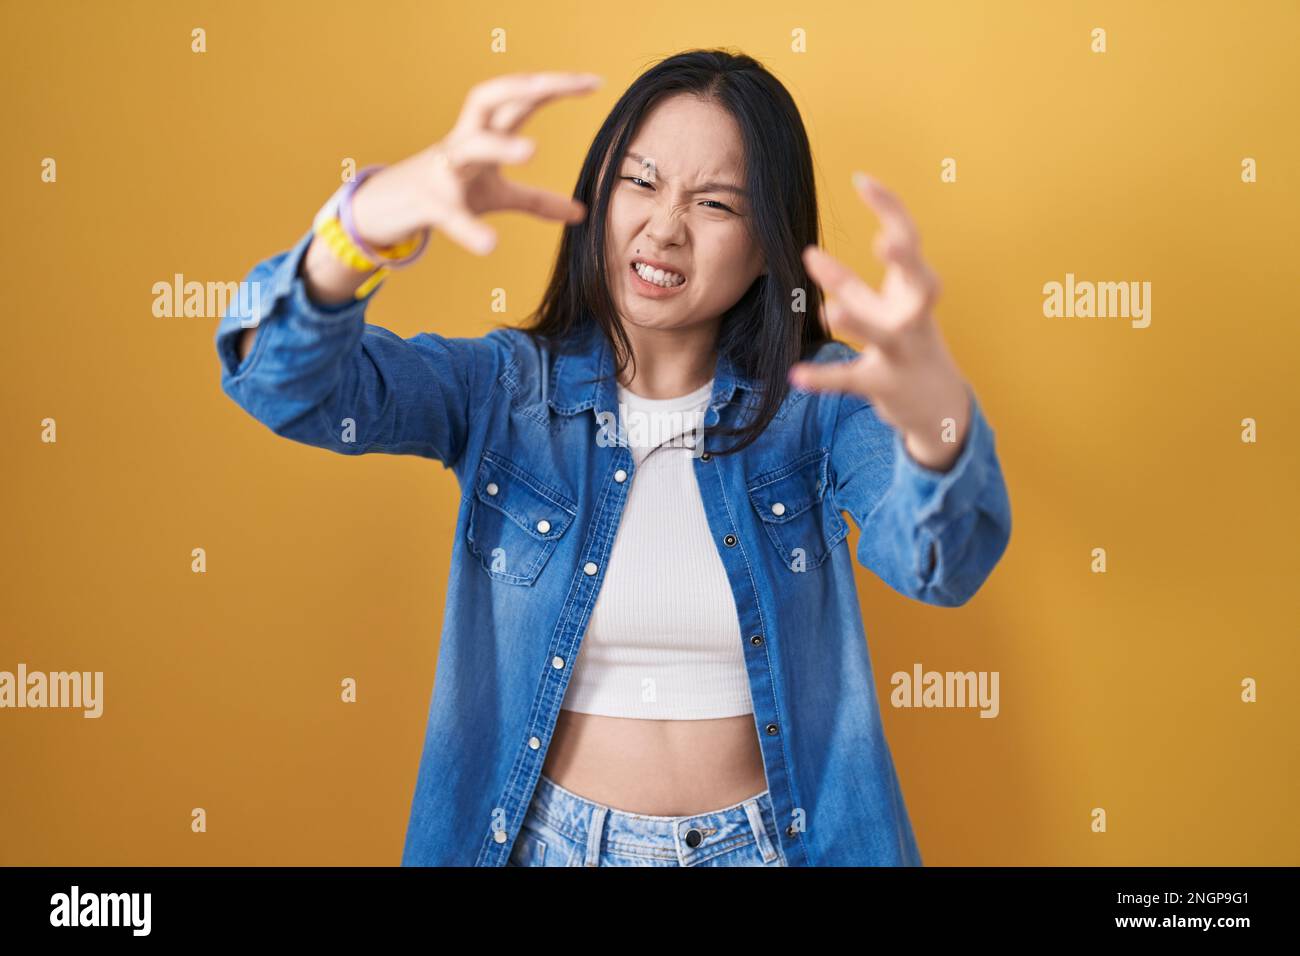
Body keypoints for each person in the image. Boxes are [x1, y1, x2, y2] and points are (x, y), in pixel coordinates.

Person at [214, 49, 1012, 867]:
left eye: (714, 203)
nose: (664, 227)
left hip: (767, 849)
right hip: (546, 846)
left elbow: (941, 566)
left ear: (770, 246)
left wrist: (937, 423)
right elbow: (283, 385)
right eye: (641, 181)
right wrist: (360, 227)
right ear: (597, 196)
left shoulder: (821, 401)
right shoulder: (504, 388)